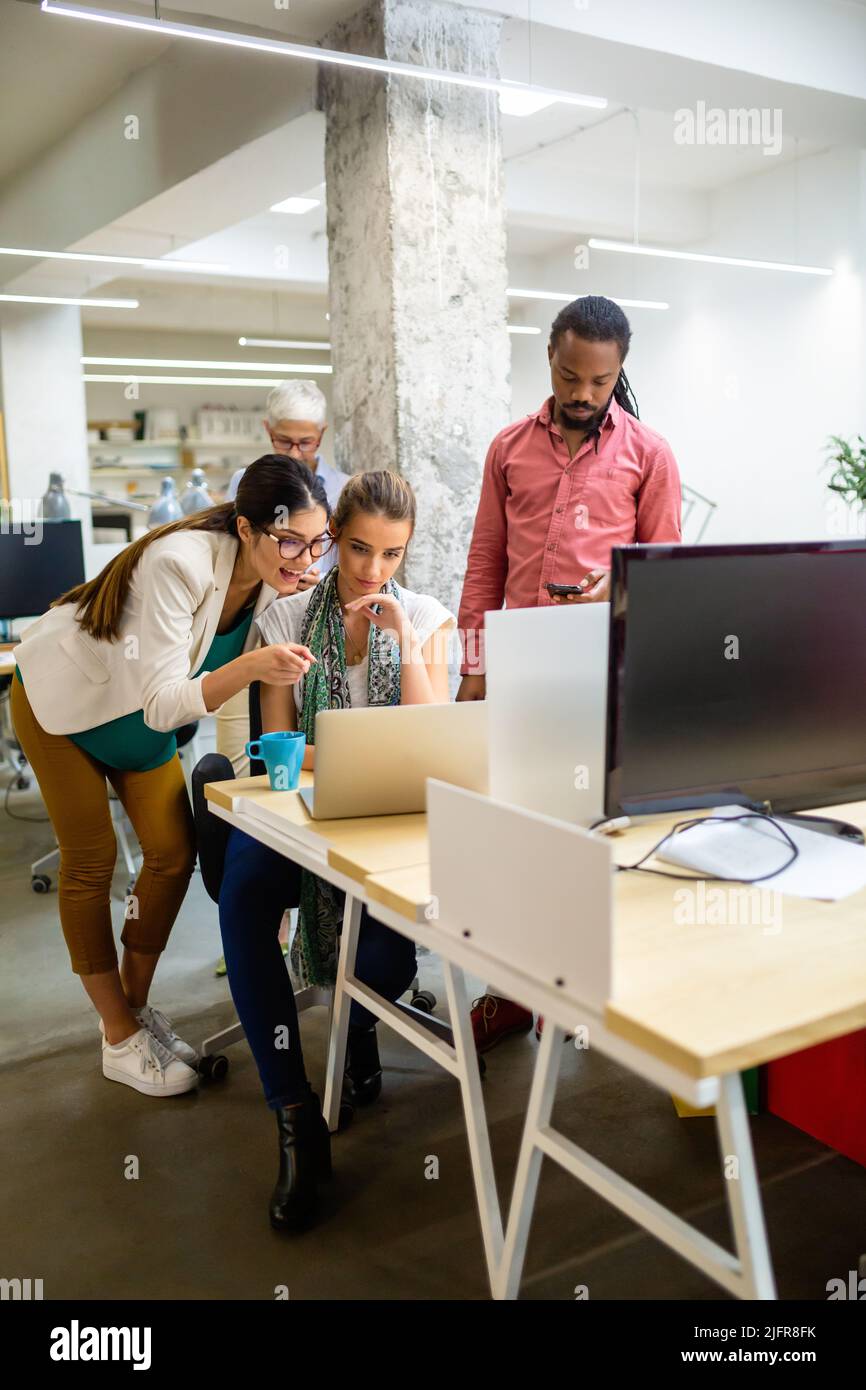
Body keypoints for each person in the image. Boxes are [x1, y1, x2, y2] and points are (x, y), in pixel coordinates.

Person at [11, 457, 331, 1098]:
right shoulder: (179, 563)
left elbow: (187, 709)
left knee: (172, 851)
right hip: (64, 709)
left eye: (315, 540)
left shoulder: (275, 581)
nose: (305, 558)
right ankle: (119, 1036)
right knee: (91, 861)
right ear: (246, 528)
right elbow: (166, 701)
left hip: (137, 727)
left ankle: (130, 1017)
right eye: (290, 540)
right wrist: (254, 668)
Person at [217, 469, 456, 1232]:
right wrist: (340, 756)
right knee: (246, 893)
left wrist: (403, 643)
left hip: (385, 820)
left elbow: (435, 746)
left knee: (383, 963)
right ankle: (295, 1117)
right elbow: (279, 748)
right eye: (356, 549)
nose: (371, 570)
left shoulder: (423, 614)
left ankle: (357, 1032)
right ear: (334, 537)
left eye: (391, 554)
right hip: (301, 815)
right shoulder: (287, 615)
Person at [456, 295, 682, 1052]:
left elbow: (663, 577)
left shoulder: (649, 453)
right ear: (548, 357)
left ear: (620, 371)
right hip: (519, 671)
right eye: (569, 375)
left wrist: (614, 588)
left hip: (600, 676)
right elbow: (485, 562)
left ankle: (589, 988)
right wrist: (473, 674)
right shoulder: (507, 449)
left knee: (594, 836)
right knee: (514, 837)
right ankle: (513, 994)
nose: (583, 394)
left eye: (600, 381)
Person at [217, 380, 347, 775]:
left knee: (294, 747)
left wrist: (318, 584)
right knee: (236, 750)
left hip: (309, 628)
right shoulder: (248, 482)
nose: (295, 453)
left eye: (305, 443)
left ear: (321, 435)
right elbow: (239, 554)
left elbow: (346, 569)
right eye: (284, 441)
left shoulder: (341, 489)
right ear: (267, 431)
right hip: (255, 623)